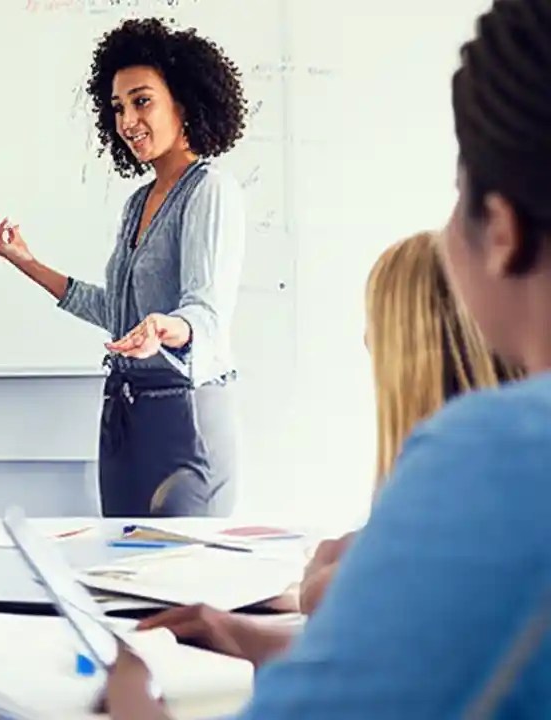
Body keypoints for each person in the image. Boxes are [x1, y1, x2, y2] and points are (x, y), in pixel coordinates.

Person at [108, 0, 551, 715]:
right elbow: (442, 651)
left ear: (499, 230)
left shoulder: (495, 450)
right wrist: (270, 633)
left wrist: (133, 693)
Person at [135, 231, 521, 667]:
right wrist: (239, 632)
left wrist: (130, 687)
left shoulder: (455, 512)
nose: (365, 339)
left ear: (414, 345)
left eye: (376, 320)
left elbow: (392, 662)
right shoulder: (483, 478)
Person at [0, 18, 248, 517]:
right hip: (126, 411)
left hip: (185, 413)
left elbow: (206, 313)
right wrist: (28, 264)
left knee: (181, 578)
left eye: (142, 101)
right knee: (120, 572)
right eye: (118, 107)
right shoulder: (137, 203)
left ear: (183, 101)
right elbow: (117, 312)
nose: (127, 121)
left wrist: (166, 327)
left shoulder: (209, 189)